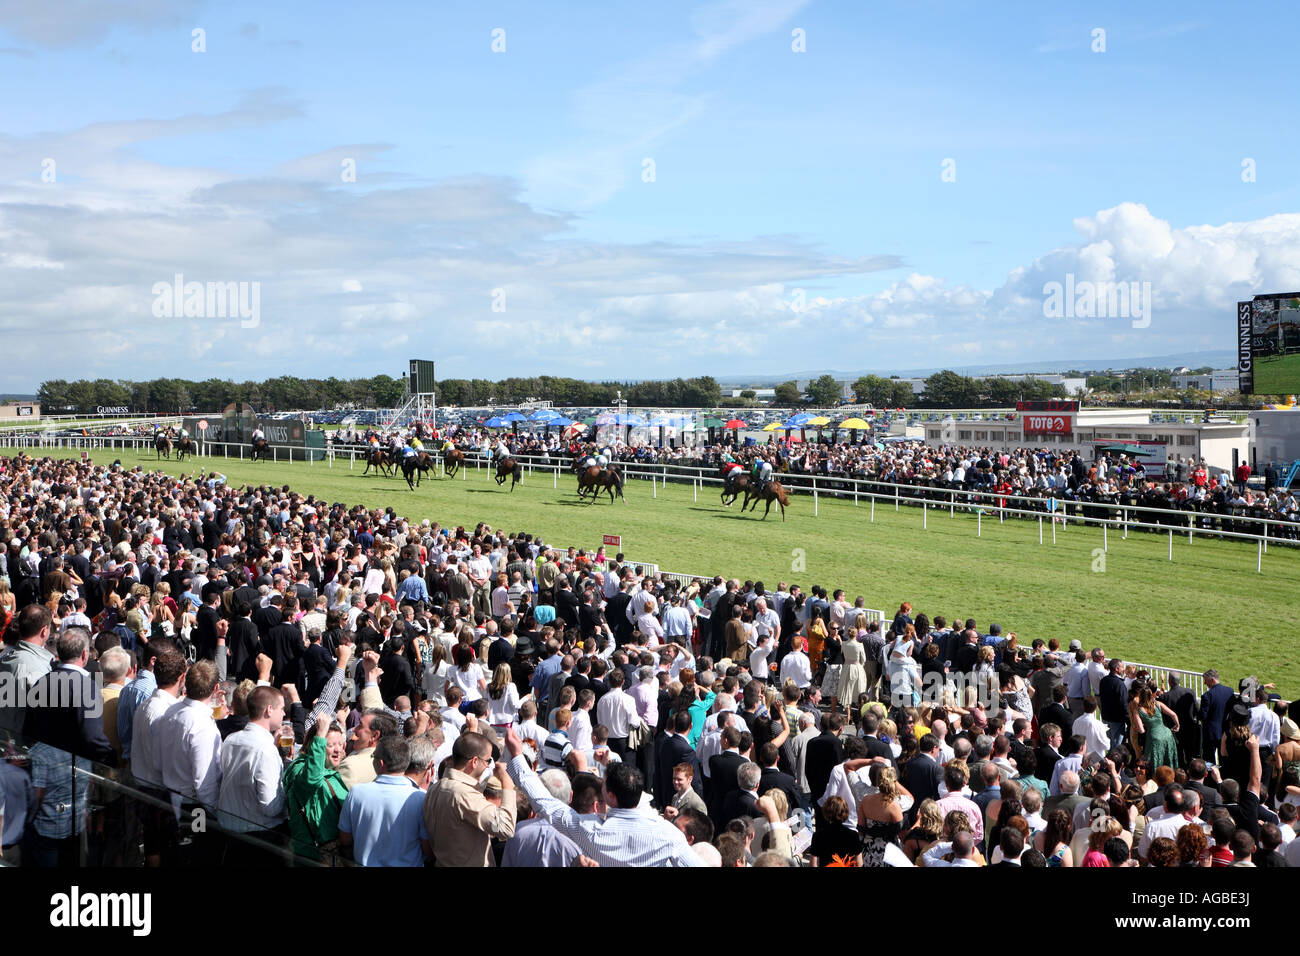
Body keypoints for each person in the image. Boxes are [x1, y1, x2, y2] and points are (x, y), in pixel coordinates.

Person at [504, 726, 701, 866]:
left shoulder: (591, 830)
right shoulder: (668, 833)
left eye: (604, 784)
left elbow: (545, 804)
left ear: (611, 796)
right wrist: (610, 765)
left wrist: (518, 757)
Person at [423, 730, 517, 867]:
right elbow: (506, 827)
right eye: (488, 760)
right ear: (474, 761)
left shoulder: (435, 788)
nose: (488, 765)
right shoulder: (463, 794)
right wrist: (507, 784)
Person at [337, 736, 428, 867]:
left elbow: (345, 839)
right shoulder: (420, 798)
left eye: (373, 757)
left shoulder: (356, 793)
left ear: (381, 763)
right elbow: (427, 848)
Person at [282, 712, 349, 863]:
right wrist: (320, 735)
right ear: (313, 745)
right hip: (312, 856)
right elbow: (311, 779)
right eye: (330, 745)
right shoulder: (299, 769)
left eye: (340, 744)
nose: (338, 750)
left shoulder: (330, 770)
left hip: (334, 853)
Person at [1130, 683, 1179, 771]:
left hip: (1154, 737)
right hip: (1168, 735)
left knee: (1155, 762)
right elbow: (1173, 714)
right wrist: (1177, 725)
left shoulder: (1138, 710)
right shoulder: (1158, 703)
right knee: (1168, 759)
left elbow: (1141, 730)